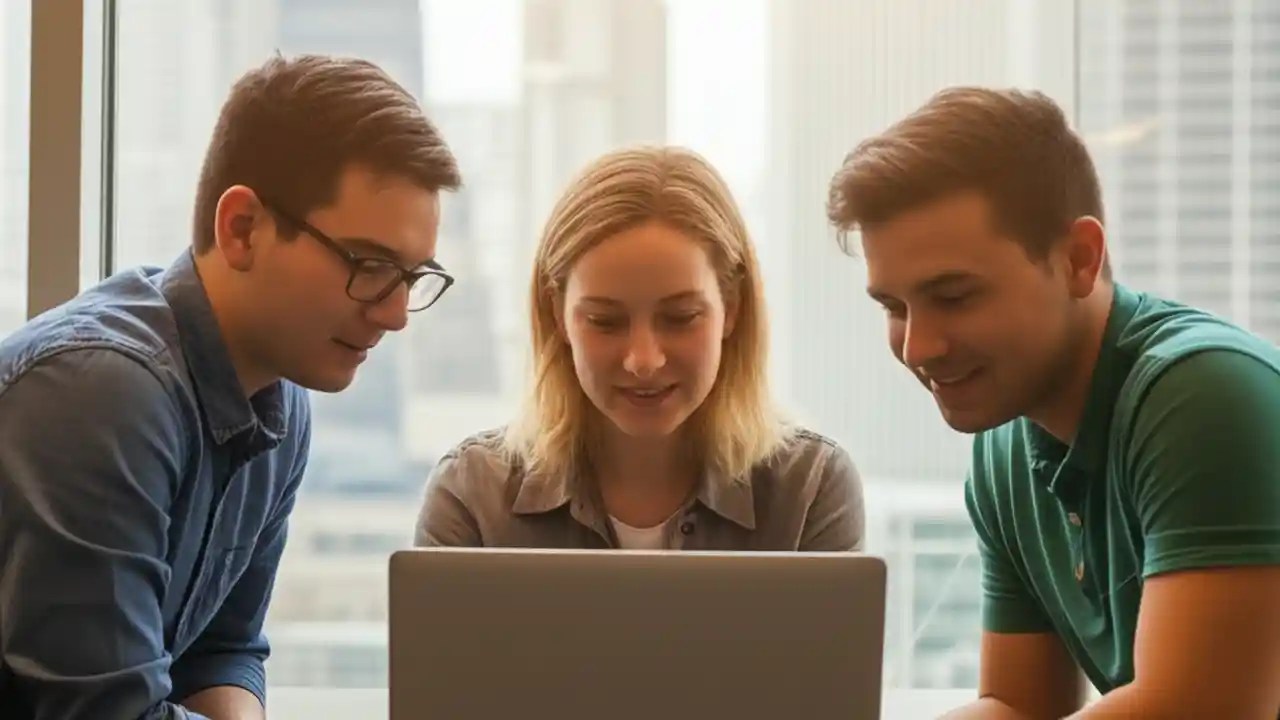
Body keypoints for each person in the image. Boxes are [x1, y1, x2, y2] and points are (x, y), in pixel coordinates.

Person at [0, 54, 461, 720]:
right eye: (368, 265)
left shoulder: (280, 399)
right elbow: (108, 714)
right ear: (241, 228)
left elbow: (220, 649)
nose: (393, 313)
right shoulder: (99, 395)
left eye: (414, 277)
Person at [827, 86, 1280, 719]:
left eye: (955, 297)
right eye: (895, 308)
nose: (919, 347)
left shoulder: (1204, 396)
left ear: (1078, 259)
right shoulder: (1005, 443)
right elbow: (1018, 704)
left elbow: (1198, 709)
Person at [417, 146, 863, 552]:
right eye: (605, 322)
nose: (644, 361)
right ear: (557, 315)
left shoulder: (809, 489)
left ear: (732, 307)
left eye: (681, 318)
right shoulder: (471, 495)